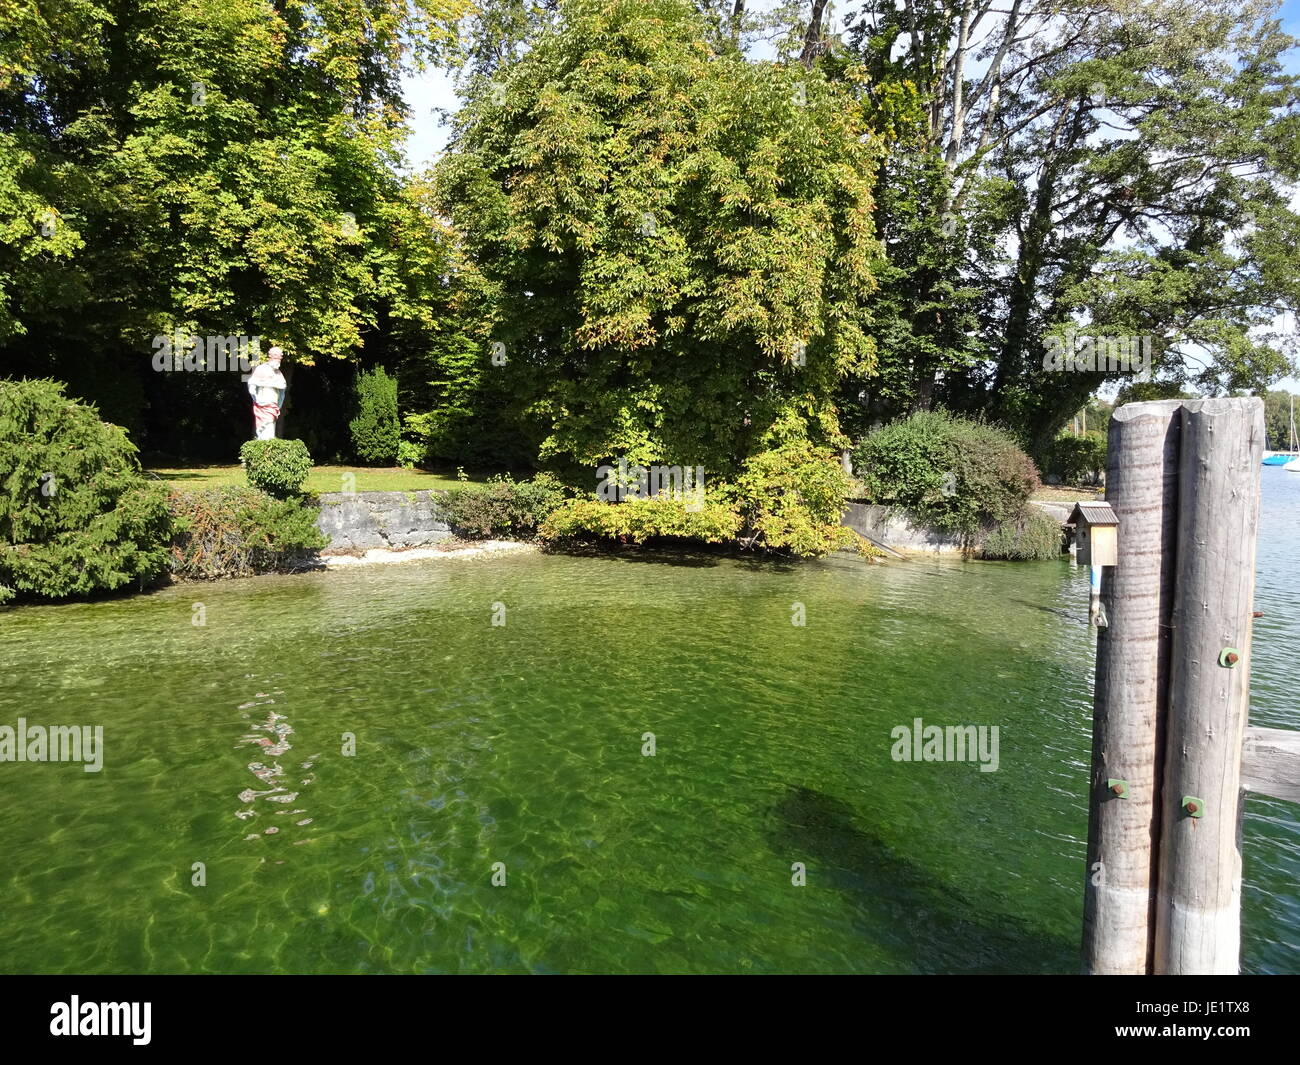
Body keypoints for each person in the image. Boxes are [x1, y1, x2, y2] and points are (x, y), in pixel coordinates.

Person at [247, 346, 287, 440]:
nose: (278, 361)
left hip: (273, 401)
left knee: (271, 420)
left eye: (279, 359)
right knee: (263, 421)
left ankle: (269, 441)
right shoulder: (261, 368)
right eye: (276, 358)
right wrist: (253, 389)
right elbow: (252, 382)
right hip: (263, 399)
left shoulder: (278, 373)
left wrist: (274, 384)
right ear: (270, 357)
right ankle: (263, 440)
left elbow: (283, 385)